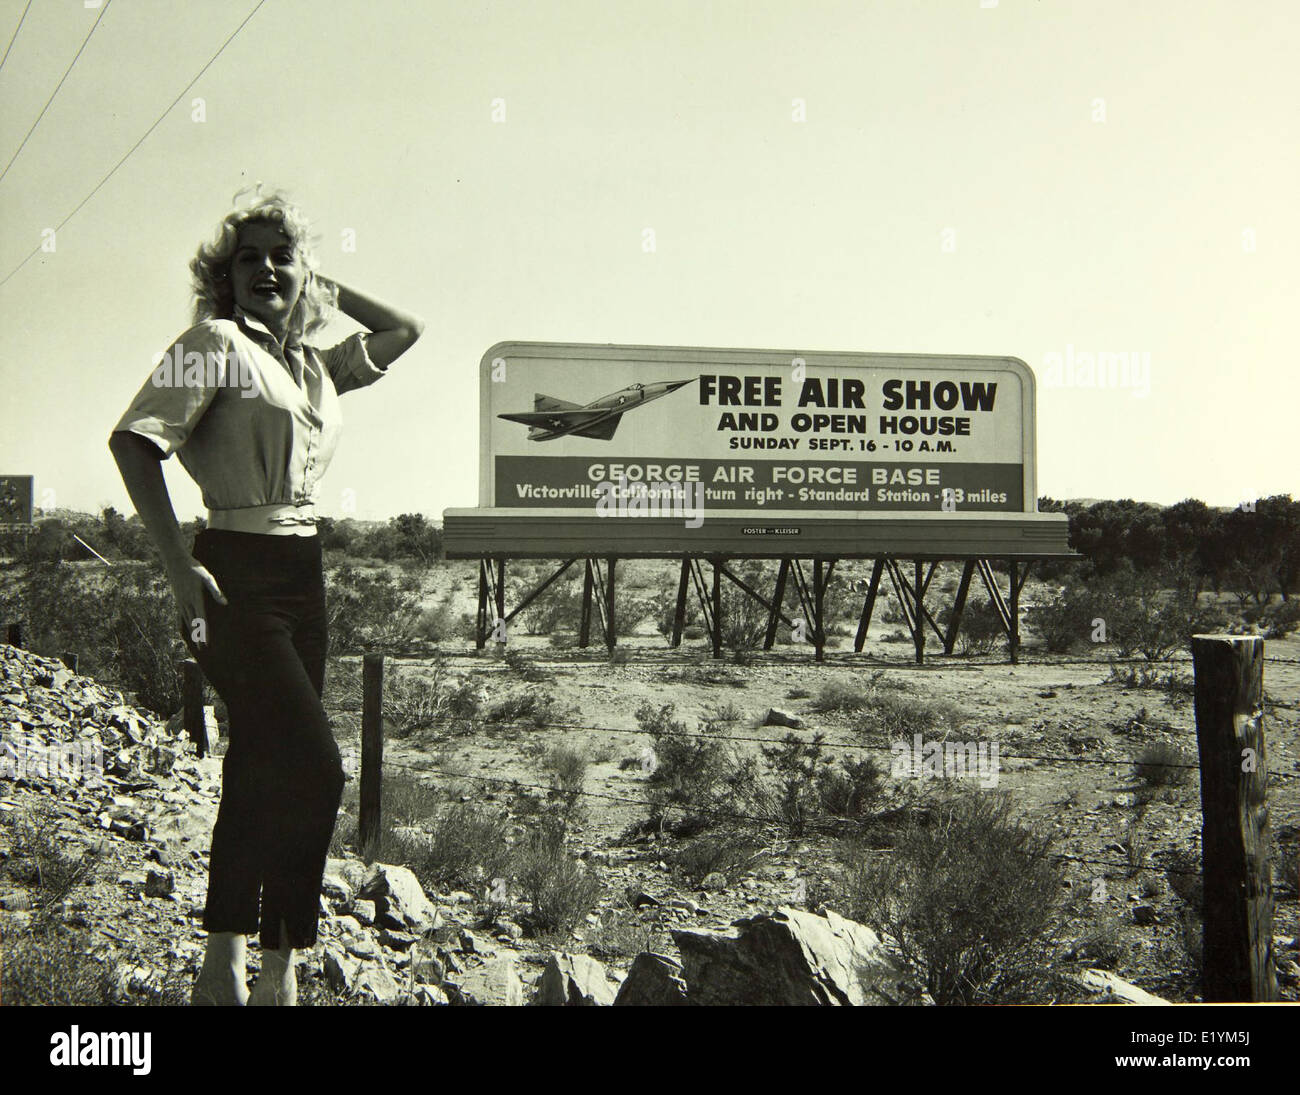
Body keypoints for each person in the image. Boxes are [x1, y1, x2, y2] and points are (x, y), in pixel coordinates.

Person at [108, 192, 424, 1005]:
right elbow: (133, 441)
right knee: (316, 767)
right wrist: (177, 568)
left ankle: (234, 967)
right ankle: (274, 963)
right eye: (248, 258)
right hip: (231, 574)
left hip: (302, 575)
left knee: (261, 765)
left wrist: (322, 283)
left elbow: (405, 329)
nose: (266, 269)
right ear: (226, 278)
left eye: (282, 256)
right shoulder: (213, 343)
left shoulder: (312, 365)